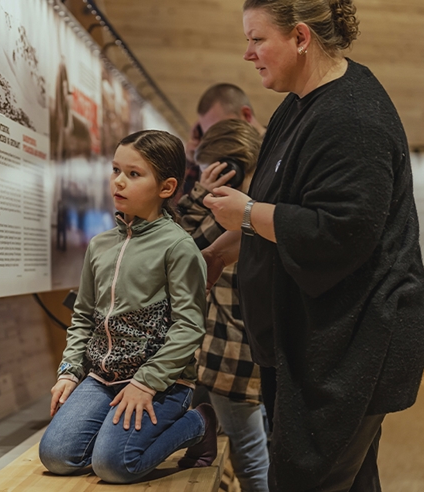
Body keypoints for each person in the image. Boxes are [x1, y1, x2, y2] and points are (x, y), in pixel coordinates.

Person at [201, 1, 424, 490]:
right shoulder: (298, 104)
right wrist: (222, 250)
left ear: (301, 38)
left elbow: (340, 231)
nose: (248, 54)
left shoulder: (353, 116)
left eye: (257, 38)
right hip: (313, 344)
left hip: (352, 347)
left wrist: (244, 212)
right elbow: (278, 209)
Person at [39, 130, 217, 484]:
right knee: (56, 456)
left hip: (161, 383)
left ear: (166, 188)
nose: (118, 181)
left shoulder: (178, 247)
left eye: (133, 174)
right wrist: (70, 370)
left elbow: (189, 327)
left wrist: (147, 383)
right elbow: (84, 317)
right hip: (101, 378)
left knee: (115, 465)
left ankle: (199, 423)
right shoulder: (100, 245)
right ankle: (112, 430)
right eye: (116, 170)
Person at [175, 119, 269, 492]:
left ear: (230, 171)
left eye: (206, 169)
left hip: (230, 359)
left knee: (251, 460)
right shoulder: (261, 211)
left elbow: (182, 251)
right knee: (253, 452)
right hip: (241, 356)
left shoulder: (237, 214)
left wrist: (199, 196)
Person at [184, 83, 266, 196]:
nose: (216, 137)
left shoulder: (280, 149)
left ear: (246, 115)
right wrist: (192, 162)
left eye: (223, 127)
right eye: (208, 133)